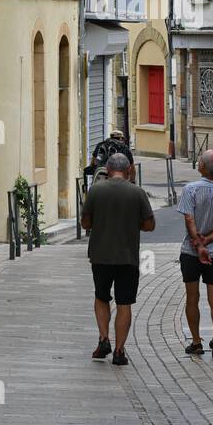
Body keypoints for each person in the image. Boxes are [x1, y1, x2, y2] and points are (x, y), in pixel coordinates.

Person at [80, 153, 155, 367]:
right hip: (127, 257)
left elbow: (86, 223)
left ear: (108, 169)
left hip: (100, 255)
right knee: (124, 303)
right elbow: (150, 225)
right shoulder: (137, 192)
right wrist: (133, 224)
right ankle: (120, 350)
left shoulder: (96, 191)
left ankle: (104, 339)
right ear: (129, 169)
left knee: (101, 297)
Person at [178, 149, 213, 359]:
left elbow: (189, 219)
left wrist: (199, 244)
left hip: (191, 253)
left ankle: (196, 341)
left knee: (192, 297)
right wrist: (209, 241)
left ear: (201, 165)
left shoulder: (190, 190)